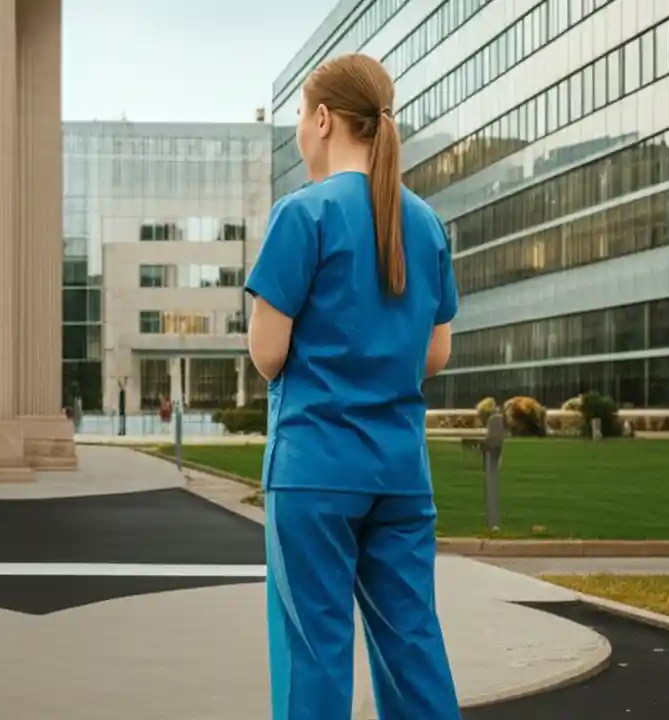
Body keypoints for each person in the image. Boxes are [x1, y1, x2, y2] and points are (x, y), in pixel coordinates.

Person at [245, 53, 460, 719]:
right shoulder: (423, 222)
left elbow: (267, 354)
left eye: (301, 126)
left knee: (314, 653)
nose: (300, 139)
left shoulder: (301, 215)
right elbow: (436, 353)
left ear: (322, 118)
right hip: (399, 472)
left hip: (314, 472)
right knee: (413, 644)